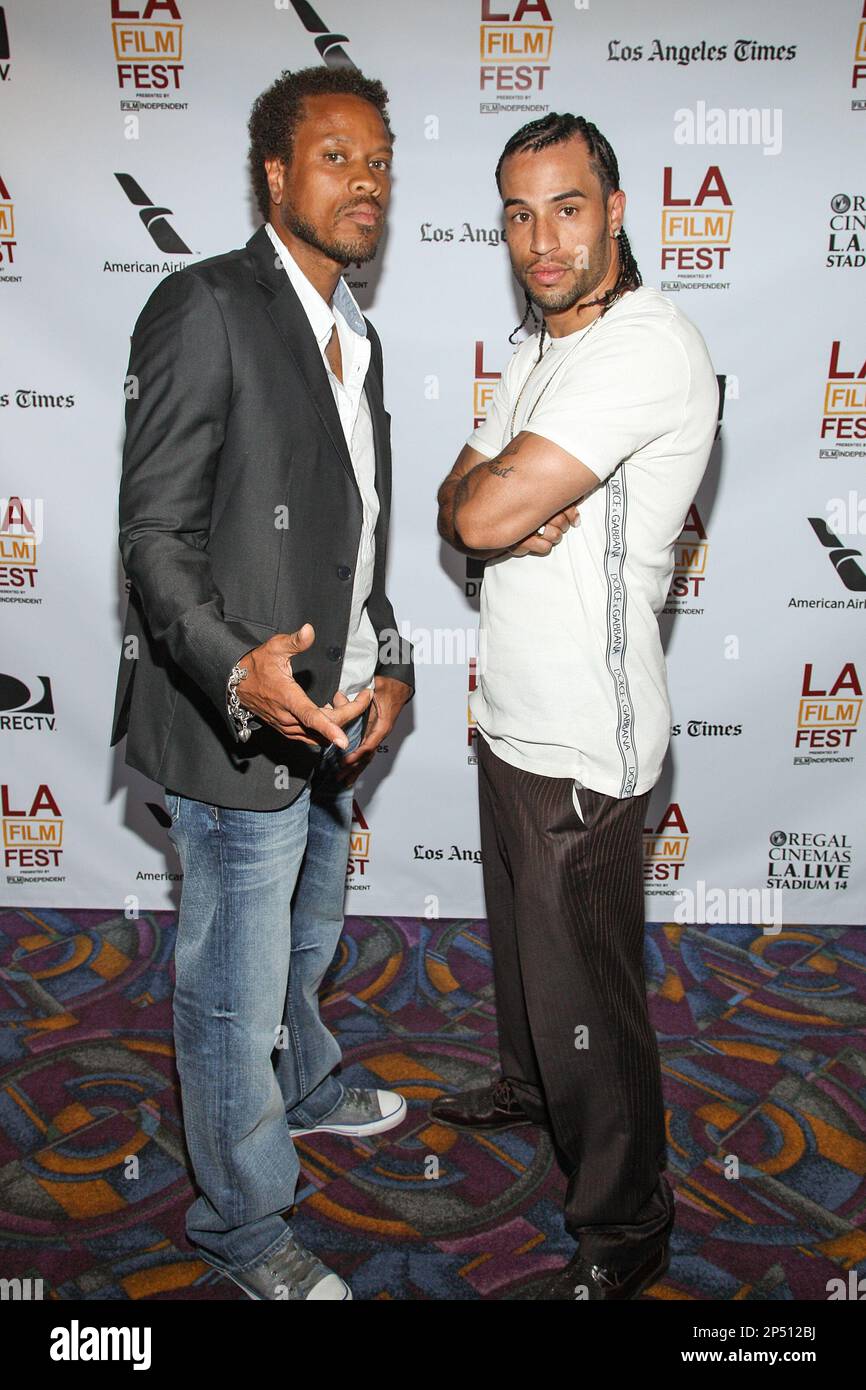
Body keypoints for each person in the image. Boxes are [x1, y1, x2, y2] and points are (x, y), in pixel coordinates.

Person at [110, 65, 415, 1302]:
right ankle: (242, 1228)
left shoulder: (358, 333)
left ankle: (308, 1079)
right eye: (338, 157)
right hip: (235, 722)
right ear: (275, 176)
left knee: (305, 933)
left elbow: (352, 529)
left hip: (330, 716)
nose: (367, 182)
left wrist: (386, 651)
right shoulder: (206, 307)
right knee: (229, 991)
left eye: (381, 161)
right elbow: (155, 538)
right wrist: (238, 668)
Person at [435, 113, 718, 1301]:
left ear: (613, 210)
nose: (539, 239)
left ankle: (623, 1224)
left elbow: (485, 517)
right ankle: (526, 1083)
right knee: (526, 971)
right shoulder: (543, 345)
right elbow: (462, 489)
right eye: (517, 213)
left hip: (582, 748)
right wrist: (484, 491)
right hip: (510, 717)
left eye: (564, 207)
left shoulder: (643, 348)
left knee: (589, 1001)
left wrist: (492, 498)